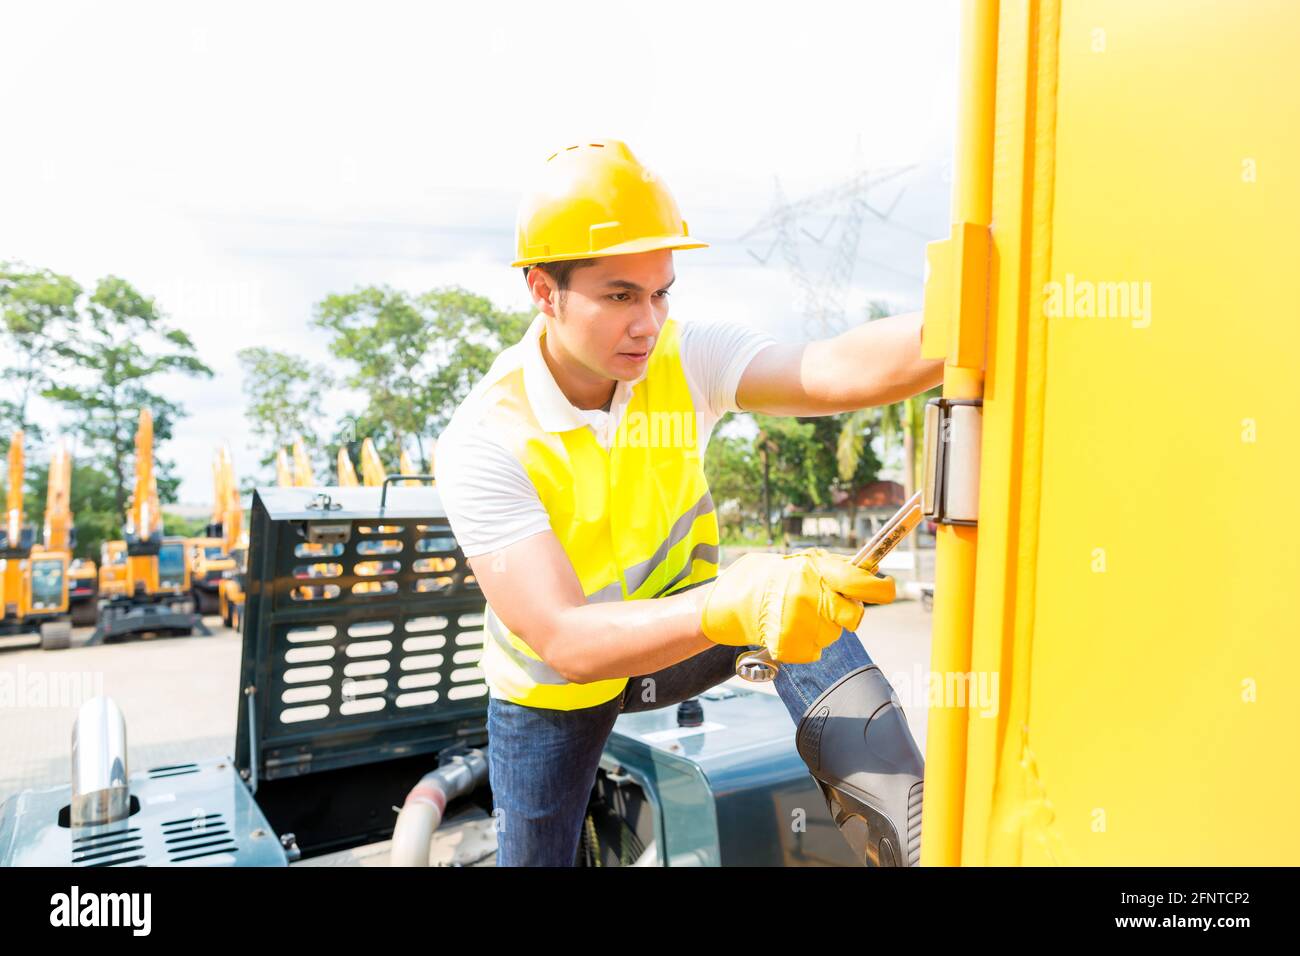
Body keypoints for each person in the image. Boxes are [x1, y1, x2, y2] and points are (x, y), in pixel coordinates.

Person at [435, 140, 944, 866]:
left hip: (677, 639)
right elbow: (568, 641)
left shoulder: (680, 357)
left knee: (801, 607)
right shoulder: (486, 437)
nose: (647, 322)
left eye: (660, 291)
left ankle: (911, 835)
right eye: (619, 296)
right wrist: (729, 604)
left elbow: (832, 370)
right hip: (555, 689)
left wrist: (955, 324)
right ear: (544, 291)